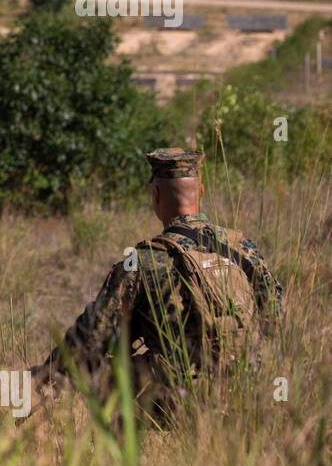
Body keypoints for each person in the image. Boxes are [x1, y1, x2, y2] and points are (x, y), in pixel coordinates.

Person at [28, 148, 284, 420]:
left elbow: (93, 334)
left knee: (110, 373)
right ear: (201, 191)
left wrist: (45, 378)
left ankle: (121, 450)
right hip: (247, 394)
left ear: (156, 196)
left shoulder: (143, 262)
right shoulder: (242, 247)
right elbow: (275, 315)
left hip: (182, 403)